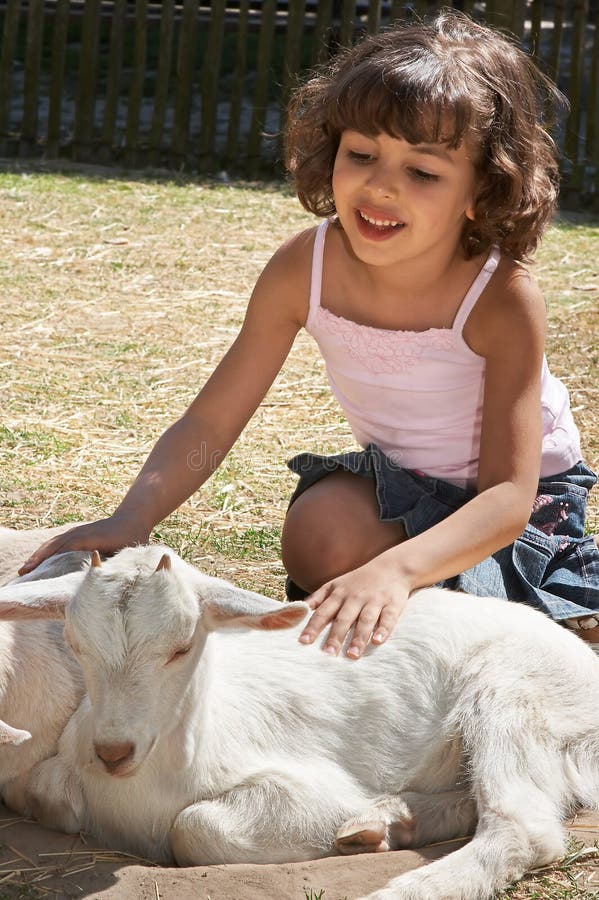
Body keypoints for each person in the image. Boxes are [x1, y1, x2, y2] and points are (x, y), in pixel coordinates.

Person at [20, 10, 599, 655]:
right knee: (317, 532)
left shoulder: (501, 298)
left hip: (514, 514)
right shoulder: (306, 268)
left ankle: (465, 602)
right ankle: (413, 606)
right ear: (331, 152)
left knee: (543, 650)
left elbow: (507, 495)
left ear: (481, 189)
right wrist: (134, 517)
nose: (381, 186)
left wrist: (396, 570)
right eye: (362, 155)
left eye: (423, 172)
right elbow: (211, 424)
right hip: (398, 490)